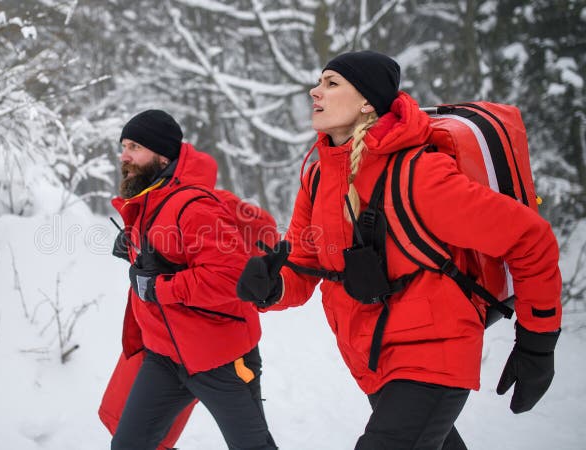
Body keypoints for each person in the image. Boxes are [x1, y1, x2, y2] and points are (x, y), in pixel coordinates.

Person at [236, 51, 562, 449]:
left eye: (331, 83)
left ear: (368, 102)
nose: (315, 91)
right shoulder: (319, 174)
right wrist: (272, 286)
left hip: (433, 356)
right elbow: (305, 265)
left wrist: (538, 343)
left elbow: (530, 239)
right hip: (373, 359)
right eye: (320, 82)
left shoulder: (419, 174)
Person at [109, 109, 277, 450]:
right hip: (165, 358)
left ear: (162, 155)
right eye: (124, 145)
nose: (124, 155)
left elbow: (229, 277)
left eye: (135, 147)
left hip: (222, 358)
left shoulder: (193, 206)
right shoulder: (148, 201)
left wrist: (159, 288)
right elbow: (173, 257)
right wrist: (134, 247)